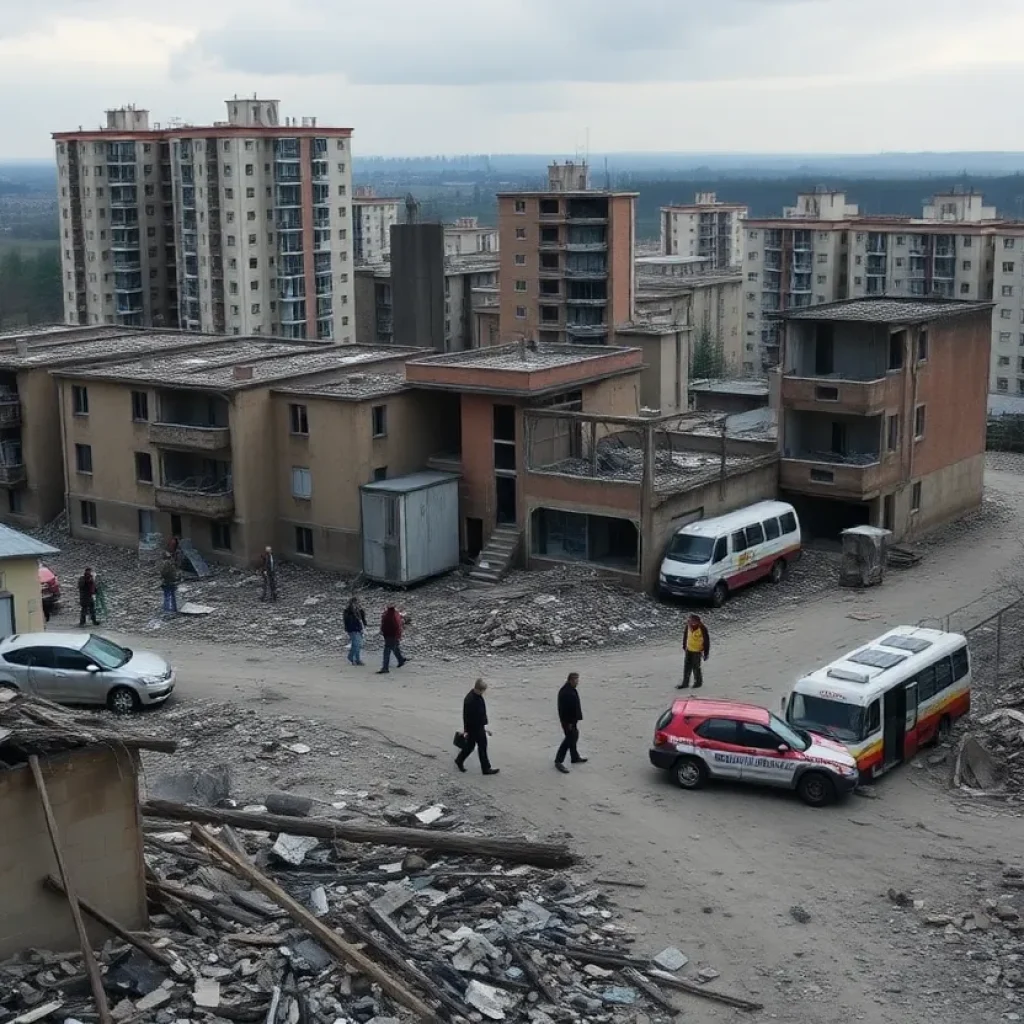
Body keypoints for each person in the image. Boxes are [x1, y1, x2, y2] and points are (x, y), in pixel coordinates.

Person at [456, 678, 499, 775]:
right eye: (483, 691)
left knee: (470, 746)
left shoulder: (476, 696)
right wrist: (467, 730)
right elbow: (466, 717)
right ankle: (486, 769)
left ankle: (459, 760)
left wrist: (484, 727)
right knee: (482, 747)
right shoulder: (470, 700)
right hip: (474, 728)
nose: (483, 692)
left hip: (478, 727)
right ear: (478, 689)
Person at [555, 671, 588, 773]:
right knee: (569, 740)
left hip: (572, 720)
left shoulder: (570, 689)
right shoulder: (566, 692)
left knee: (574, 736)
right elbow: (565, 710)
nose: (577, 682)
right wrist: (569, 723)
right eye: (575, 680)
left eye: (577, 679)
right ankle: (558, 761)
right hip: (568, 721)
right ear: (570, 680)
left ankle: (574, 757)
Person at [678, 613, 711, 689]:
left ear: (697, 622)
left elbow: (706, 641)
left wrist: (706, 653)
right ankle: (685, 683)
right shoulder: (688, 626)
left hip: (697, 650)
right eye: (689, 620)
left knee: (696, 667)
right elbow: (685, 635)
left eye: (692, 621)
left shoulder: (702, 628)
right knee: (687, 667)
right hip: (688, 649)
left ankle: (698, 682)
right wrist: (684, 645)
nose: (690, 622)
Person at [377, 602, 408, 674]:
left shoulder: (388, 615)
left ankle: (385, 668)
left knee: (386, 652)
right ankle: (401, 660)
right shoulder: (395, 614)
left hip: (390, 636)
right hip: (394, 635)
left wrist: (383, 632)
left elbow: (386, 626)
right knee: (395, 648)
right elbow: (399, 625)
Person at [343, 597, 367, 666]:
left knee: (357, 645)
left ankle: (354, 658)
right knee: (356, 644)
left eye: (357, 603)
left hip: (359, 628)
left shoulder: (359, 610)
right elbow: (347, 620)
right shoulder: (348, 611)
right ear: (351, 603)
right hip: (352, 629)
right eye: (355, 603)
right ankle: (354, 658)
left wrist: (364, 625)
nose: (357, 604)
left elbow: (362, 619)